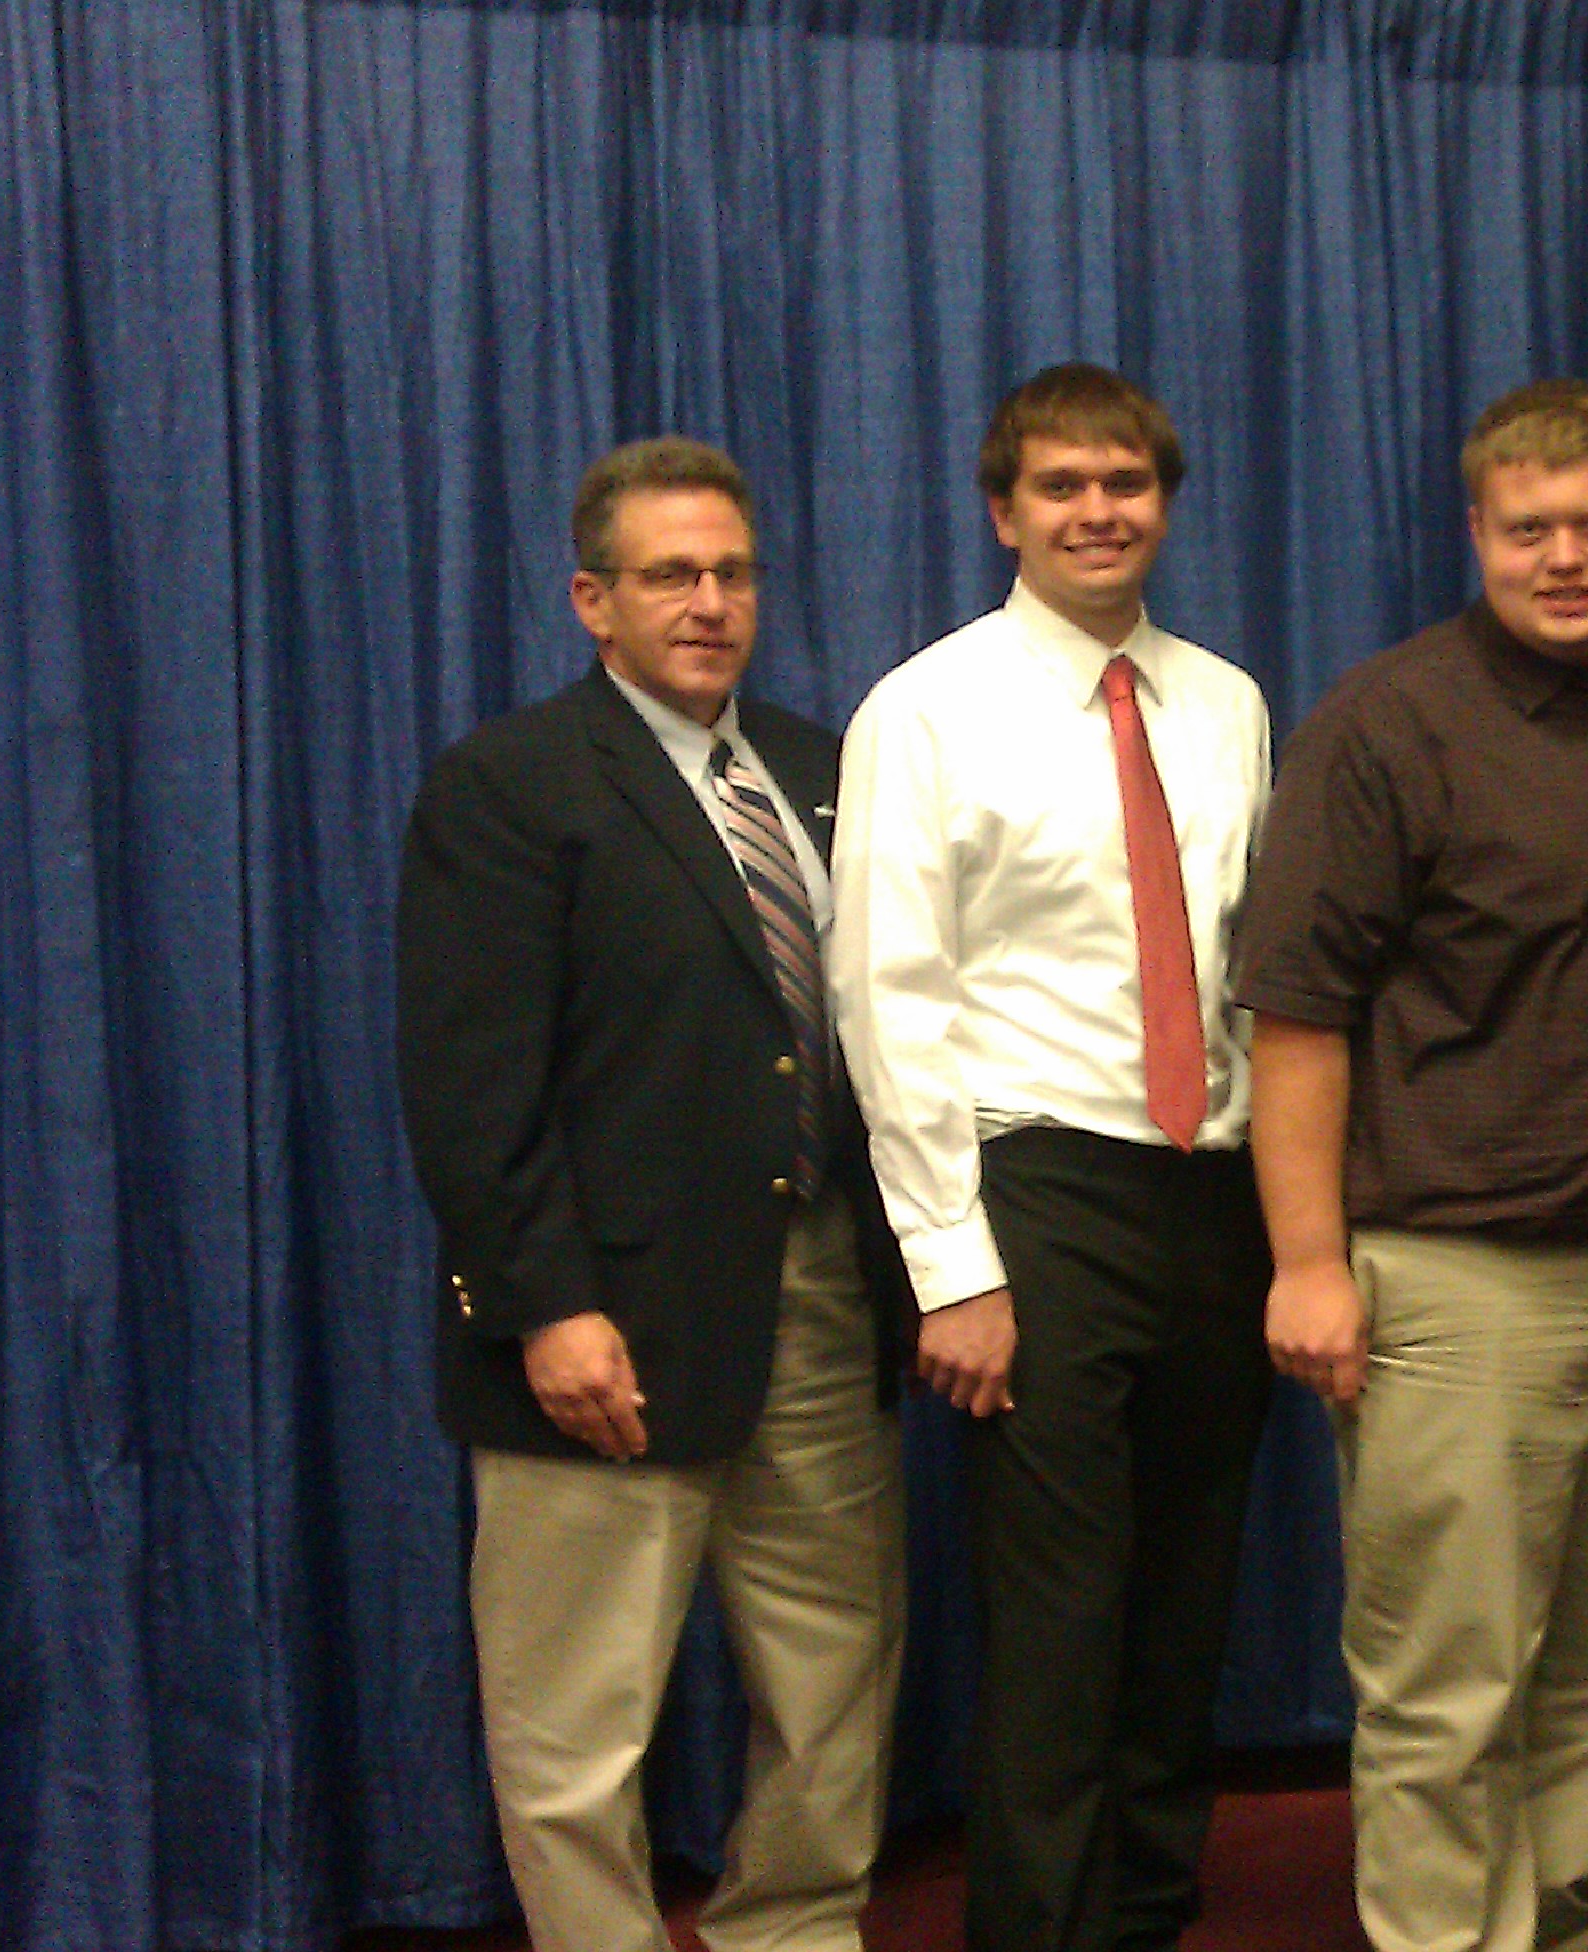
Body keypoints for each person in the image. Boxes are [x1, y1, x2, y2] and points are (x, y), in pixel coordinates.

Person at [1233, 378, 1588, 1952]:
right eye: (1532, 530)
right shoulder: (1388, 726)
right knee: (1449, 1682)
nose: (1567, 558)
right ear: (1479, 534)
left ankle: (1574, 1921)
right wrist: (1310, 1261)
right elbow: (1299, 1016)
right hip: (1455, 1285)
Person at [395, 435, 916, 1952]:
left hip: (821, 1301)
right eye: (670, 575)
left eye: (733, 572)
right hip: (601, 1328)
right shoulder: (509, 786)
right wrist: (548, 1308)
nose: (709, 602)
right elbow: (470, 1084)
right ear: (590, 600)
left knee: (836, 1692)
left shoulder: (827, 771)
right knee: (575, 1730)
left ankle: (791, 1935)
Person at [826, 363, 1275, 1952]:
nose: (1099, 511)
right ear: (1002, 507)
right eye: (1063, 486)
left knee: (1183, 1606)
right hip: (1038, 1194)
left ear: (1165, 501)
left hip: (1212, 1193)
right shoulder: (925, 708)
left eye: (1127, 483)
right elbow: (887, 1002)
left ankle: (1145, 1914)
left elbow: (1247, 973)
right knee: (1060, 1622)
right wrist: (954, 1272)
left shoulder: (1226, 704)